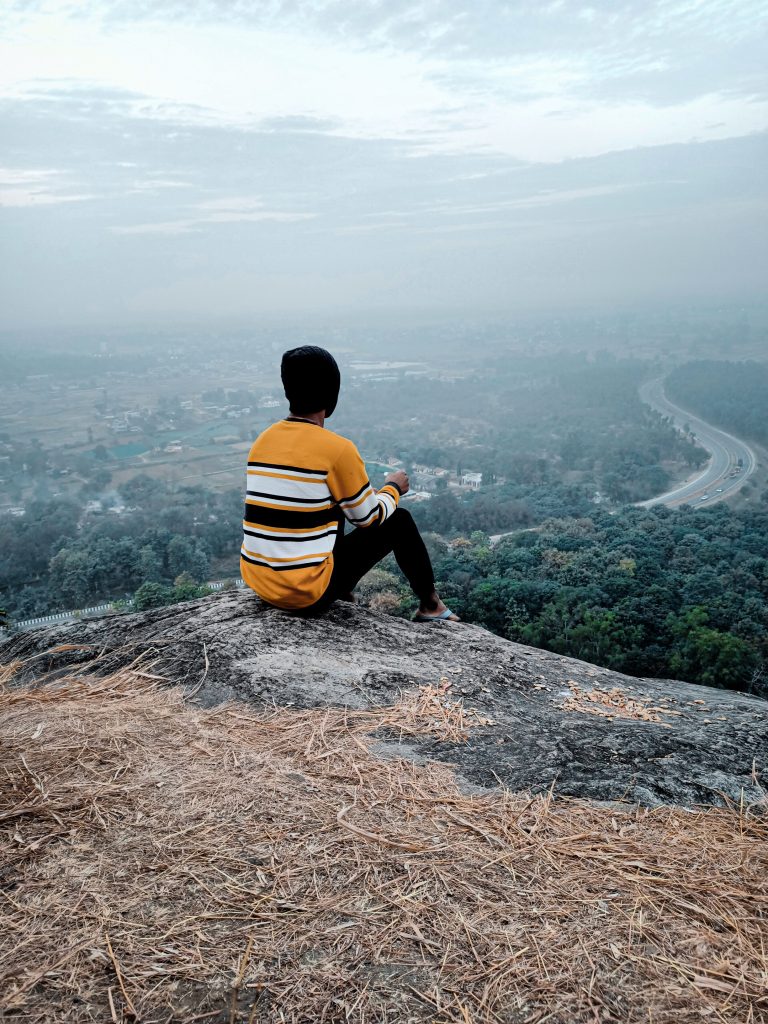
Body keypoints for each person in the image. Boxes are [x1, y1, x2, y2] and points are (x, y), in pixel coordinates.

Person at [240, 346, 458, 621]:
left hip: (261, 585)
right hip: (305, 595)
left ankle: (344, 593)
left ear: (288, 391)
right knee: (399, 520)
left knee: (331, 503)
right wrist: (393, 488)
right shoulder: (337, 449)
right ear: (332, 395)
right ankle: (431, 606)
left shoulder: (263, 442)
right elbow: (369, 519)